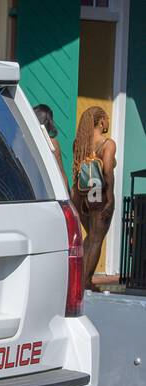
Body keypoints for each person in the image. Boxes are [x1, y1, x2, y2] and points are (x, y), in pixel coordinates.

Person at [70, 105, 117, 291]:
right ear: (101, 121)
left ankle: (78, 278)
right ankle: (85, 282)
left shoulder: (79, 144)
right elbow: (107, 171)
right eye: (107, 119)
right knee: (96, 239)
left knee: (90, 238)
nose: (108, 123)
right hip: (98, 195)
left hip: (80, 196)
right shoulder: (108, 144)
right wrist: (110, 197)